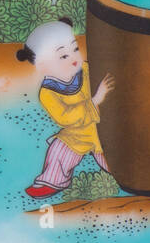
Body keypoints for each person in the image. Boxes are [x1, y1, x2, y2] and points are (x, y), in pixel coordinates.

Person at [17, 19, 114, 198]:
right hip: (76, 134)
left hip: (104, 128)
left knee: (115, 162)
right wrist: (94, 101)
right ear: (43, 65)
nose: (73, 58)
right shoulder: (47, 93)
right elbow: (65, 118)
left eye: (75, 49)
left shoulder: (86, 69)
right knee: (58, 150)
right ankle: (52, 181)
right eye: (63, 56)